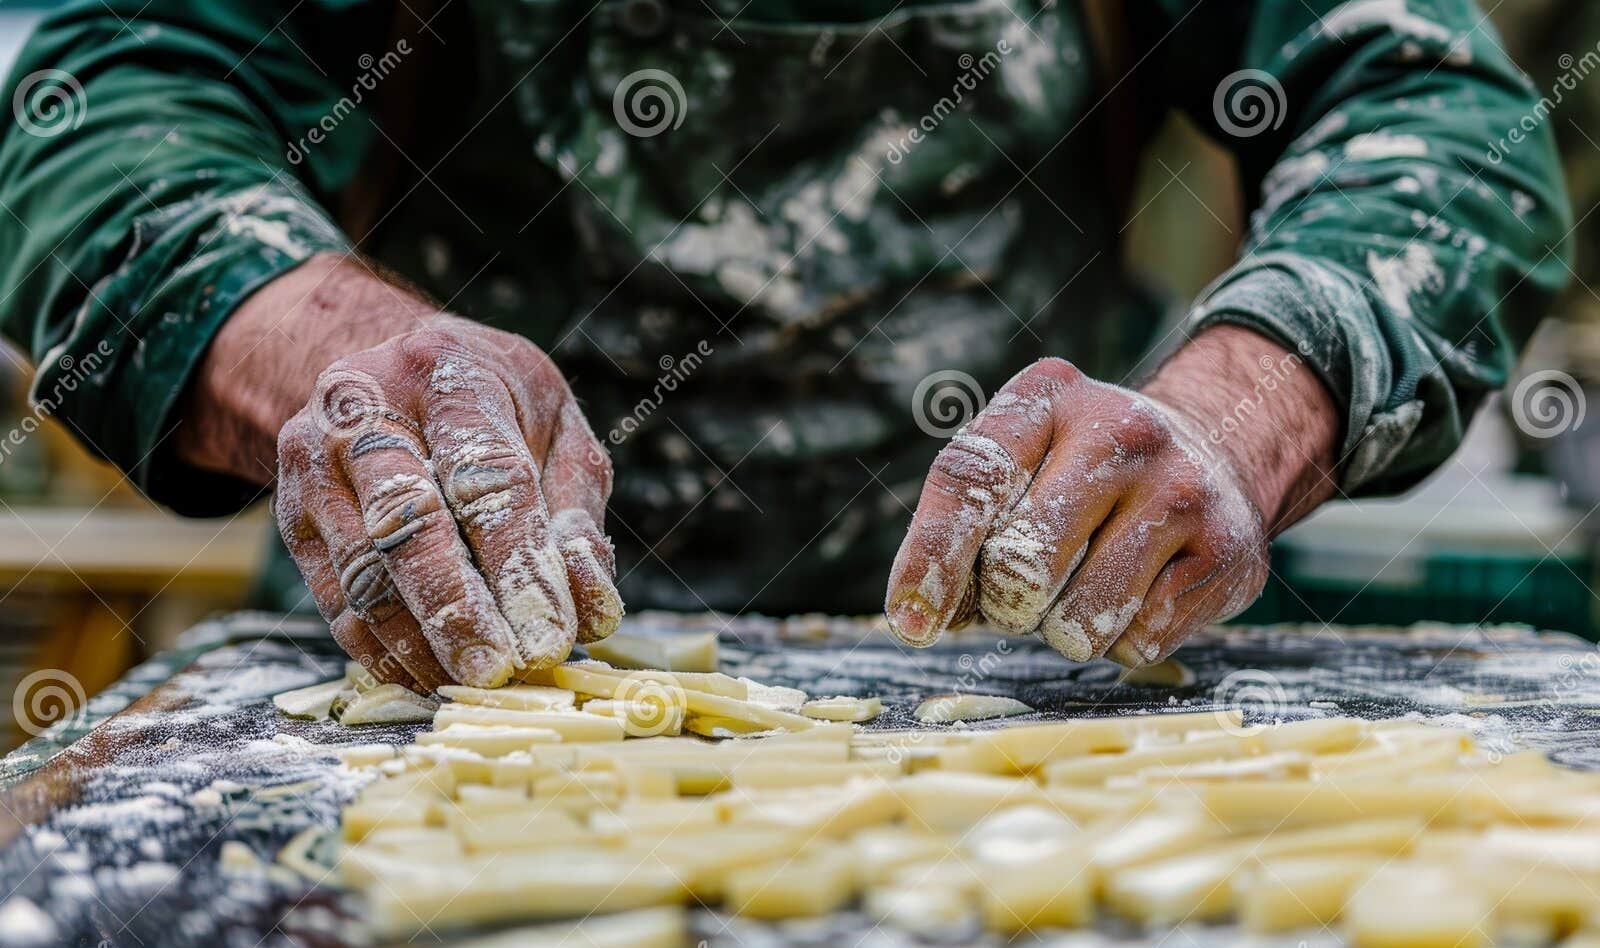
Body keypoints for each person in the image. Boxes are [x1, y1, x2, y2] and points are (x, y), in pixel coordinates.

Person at [0, 0, 1571, 689]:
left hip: (1023, 694)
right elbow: (106, 116)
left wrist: (1246, 404)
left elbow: (1437, 115)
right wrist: (328, 344)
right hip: (444, 669)